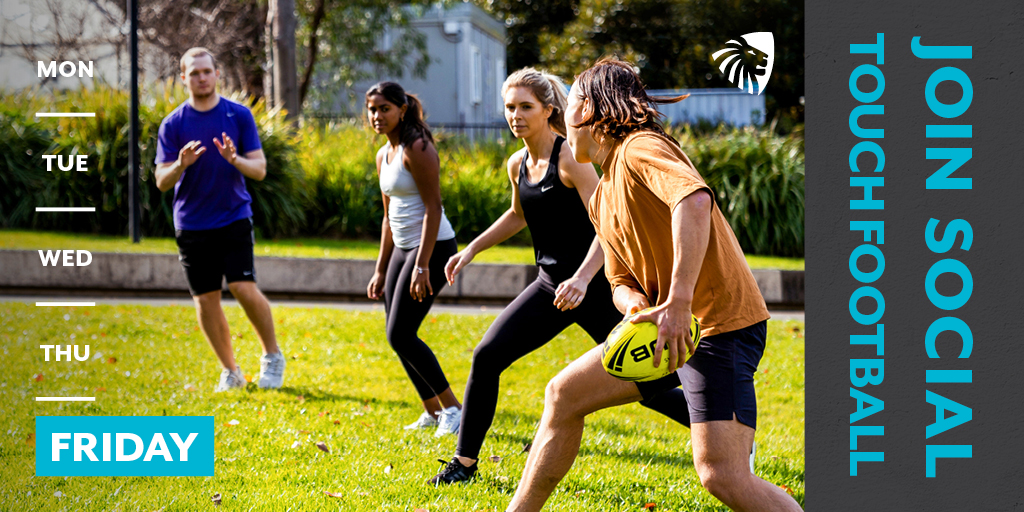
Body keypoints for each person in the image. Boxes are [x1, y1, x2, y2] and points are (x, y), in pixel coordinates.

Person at [505, 59, 803, 512]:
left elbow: (694, 200)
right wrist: (635, 304)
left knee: (721, 475)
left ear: (590, 110)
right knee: (563, 395)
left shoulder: (641, 147)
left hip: (718, 328)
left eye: (570, 104)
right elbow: (618, 279)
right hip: (663, 331)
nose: (564, 115)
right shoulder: (602, 195)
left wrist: (679, 301)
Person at [428, 68, 691, 485]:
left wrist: (584, 279)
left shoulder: (570, 158)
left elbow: (610, 223)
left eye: (525, 107)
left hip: (597, 287)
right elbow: (518, 214)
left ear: (549, 110)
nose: (516, 115)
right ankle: (464, 464)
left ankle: (724, 431)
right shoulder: (517, 164)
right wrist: (473, 248)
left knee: (648, 382)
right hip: (551, 286)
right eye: (510, 107)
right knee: (487, 355)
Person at [154, 47, 285, 392]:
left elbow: (259, 170)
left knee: (243, 287)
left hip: (233, 217)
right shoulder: (174, 124)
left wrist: (233, 159)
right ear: (184, 78)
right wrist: (180, 165)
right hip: (192, 224)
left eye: (206, 71)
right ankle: (231, 371)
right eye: (193, 73)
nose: (201, 78)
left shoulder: (238, 116)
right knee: (206, 299)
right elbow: (161, 181)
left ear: (216, 73)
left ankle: (272, 356)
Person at [364, 82, 463, 436]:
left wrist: (422, 266)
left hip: (433, 248)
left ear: (402, 109)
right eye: (372, 109)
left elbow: (433, 208)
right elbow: (388, 217)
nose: (377, 116)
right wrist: (379, 269)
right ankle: (432, 412)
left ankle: (454, 409)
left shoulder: (417, 148)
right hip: (404, 249)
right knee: (397, 334)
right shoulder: (384, 155)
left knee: (401, 335)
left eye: (384, 109)